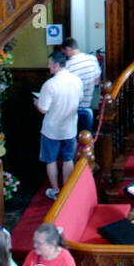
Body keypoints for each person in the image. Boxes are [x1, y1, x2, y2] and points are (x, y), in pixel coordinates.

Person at [35, 51, 82, 199]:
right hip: (70, 128)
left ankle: (56, 190)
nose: (48, 67)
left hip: (52, 129)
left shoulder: (50, 84)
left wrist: (36, 102)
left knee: (51, 160)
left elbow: (43, 109)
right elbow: (79, 99)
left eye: (49, 64)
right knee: (68, 159)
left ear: (56, 65)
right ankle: (67, 190)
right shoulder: (77, 80)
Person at [62, 38, 101, 133]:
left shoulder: (67, 66)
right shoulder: (92, 59)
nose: (64, 55)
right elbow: (97, 81)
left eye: (64, 52)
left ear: (67, 49)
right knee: (86, 142)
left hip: (71, 112)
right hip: (88, 109)